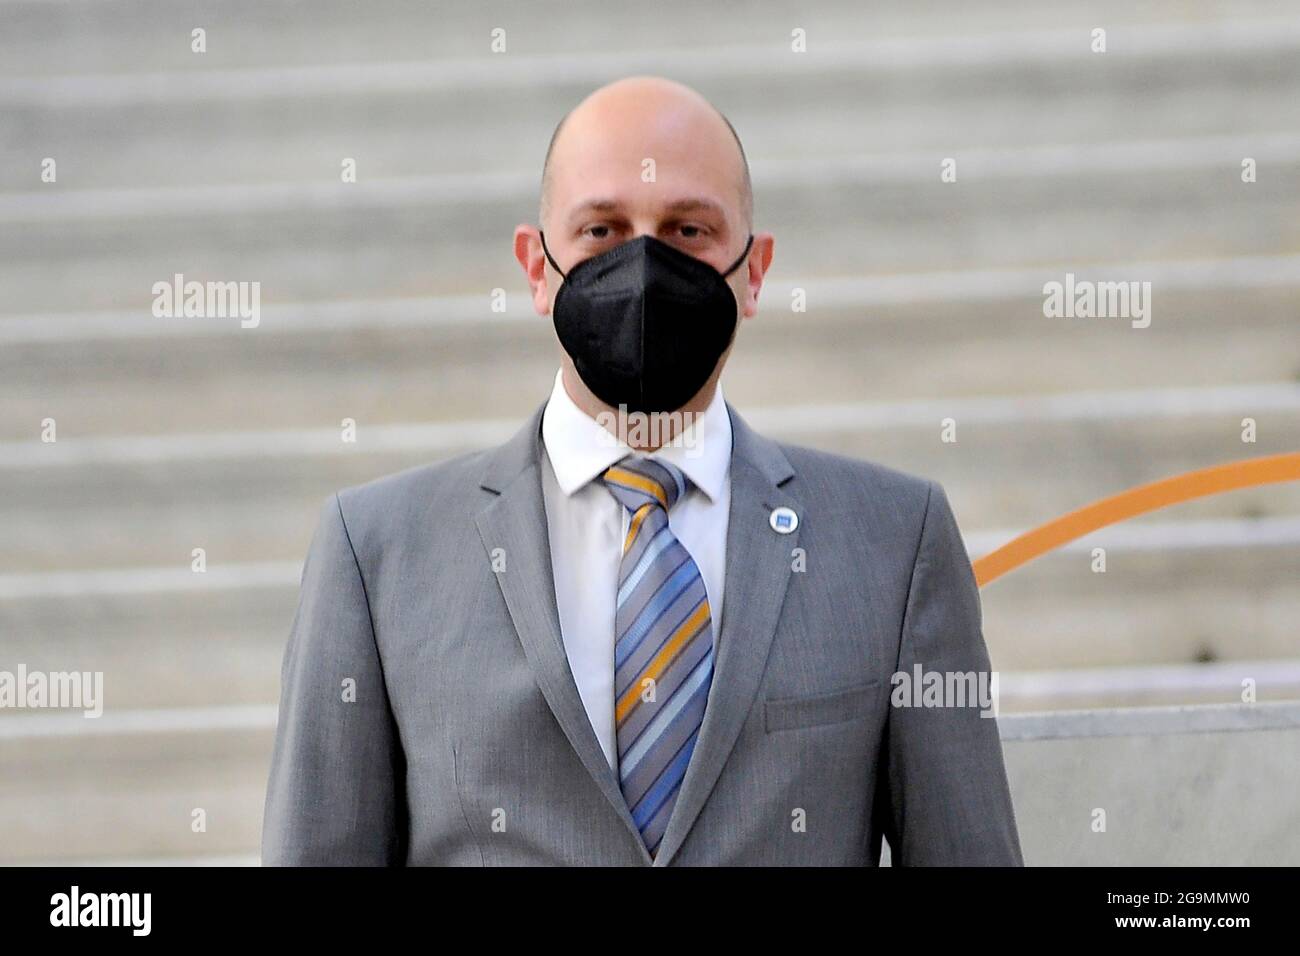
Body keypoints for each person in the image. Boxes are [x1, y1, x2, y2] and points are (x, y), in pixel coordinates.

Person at [262, 75, 1023, 866]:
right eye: (602, 230)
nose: (645, 266)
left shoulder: (895, 542)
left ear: (755, 271)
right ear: (536, 266)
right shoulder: (376, 553)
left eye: (689, 230)